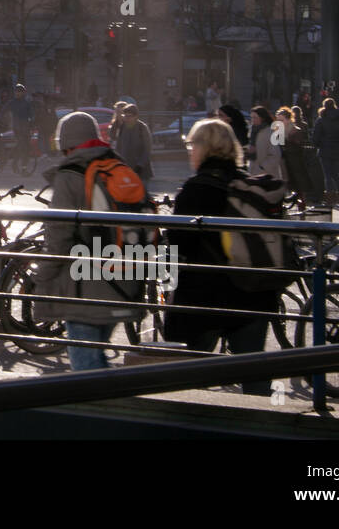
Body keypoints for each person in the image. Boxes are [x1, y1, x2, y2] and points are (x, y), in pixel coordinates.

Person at [162, 119, 280, 395]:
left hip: (204, 297)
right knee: (254, 379)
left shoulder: (195, 189)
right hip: (253, 294)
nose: (190, 151)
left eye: (192, 145)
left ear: (205, 148)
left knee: (186, 379)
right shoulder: (248, 187)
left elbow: (179, 244)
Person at [33, 111, 145, 371]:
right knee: (96, 361)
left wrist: (42, 276)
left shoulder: (70, 174)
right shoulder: (119, 166)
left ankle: (113, 411)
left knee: (86, 370)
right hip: (123, 282)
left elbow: (57, 236)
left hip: (86, 290)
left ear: (66, 144)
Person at [310, 98, 339, 209]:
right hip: (335, 150)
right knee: (336, 174)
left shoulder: (321, 120)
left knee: (327, 175)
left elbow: (315, 138)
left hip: (324, 150)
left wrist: (317, 145)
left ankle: (329, 199)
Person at [111, 102, 154, 187]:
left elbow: (147, 149)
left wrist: (140, 165)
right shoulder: (123, 127)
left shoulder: (142, 128)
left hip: (141, 171)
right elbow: (118, 147)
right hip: (126, 169)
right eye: (125, 116)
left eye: (129, 116)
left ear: (136, 116)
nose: (126, 119)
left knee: (142, 195)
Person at [248, 105, 284, 179]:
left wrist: (262, 167)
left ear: (262, 118)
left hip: (267, 176)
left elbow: (276, 155)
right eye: (251, 117)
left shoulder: (270, 132)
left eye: (255, 117)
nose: (252, 120)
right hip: (253, 172)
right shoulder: (251, 131)